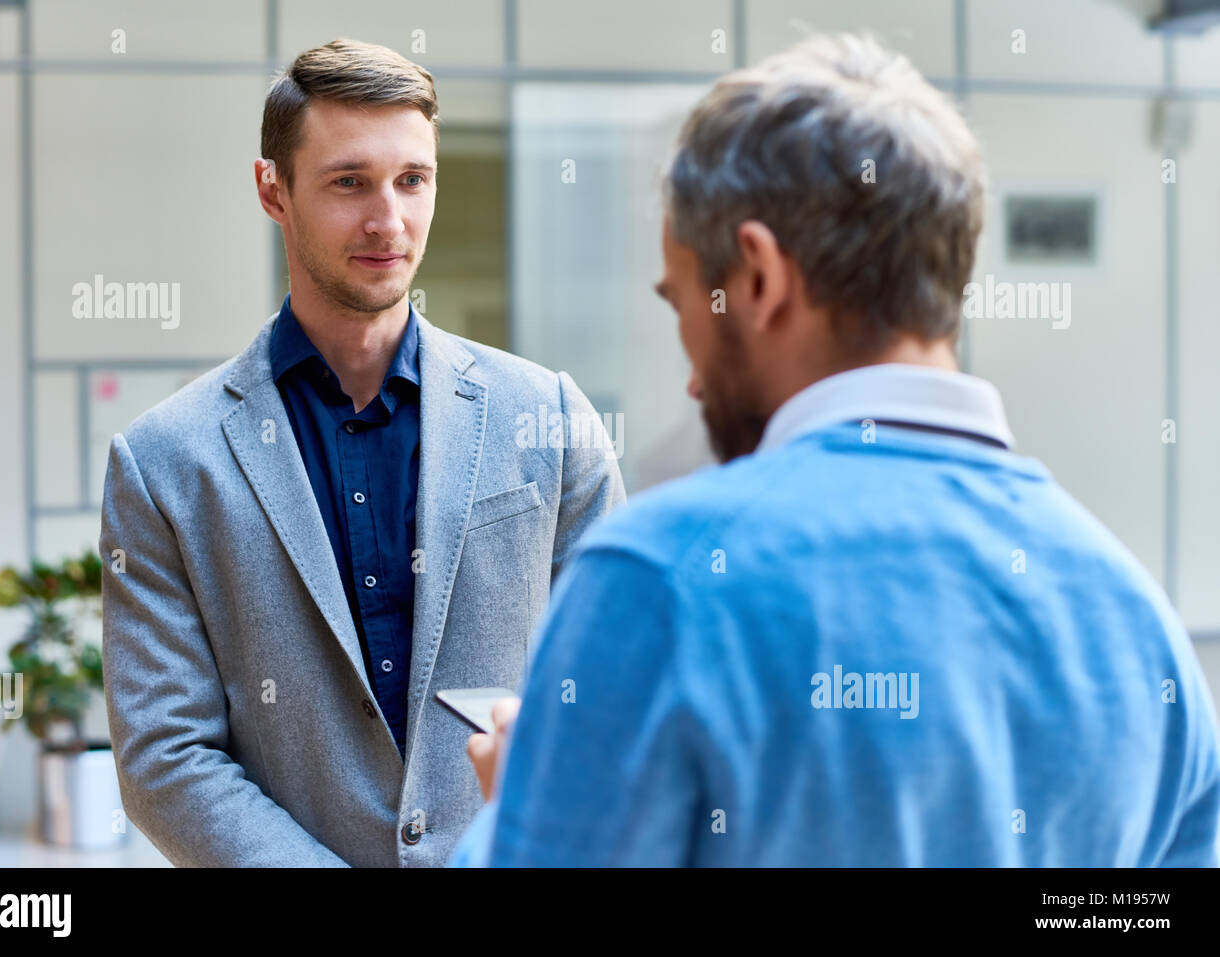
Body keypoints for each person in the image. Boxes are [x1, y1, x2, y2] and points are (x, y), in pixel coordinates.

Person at [451, 33, 1220, 866]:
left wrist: (518, 803)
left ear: (756, 278)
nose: (692, 385)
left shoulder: (659, 582)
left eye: (682, 307)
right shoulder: (1139, 625)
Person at [100, 38, 624, 867]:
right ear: (273, 190)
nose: (389, 220)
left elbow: (615, 689)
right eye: (350, 182)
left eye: (412, 180)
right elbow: (166, 757)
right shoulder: (165, 462)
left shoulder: (547, 417)